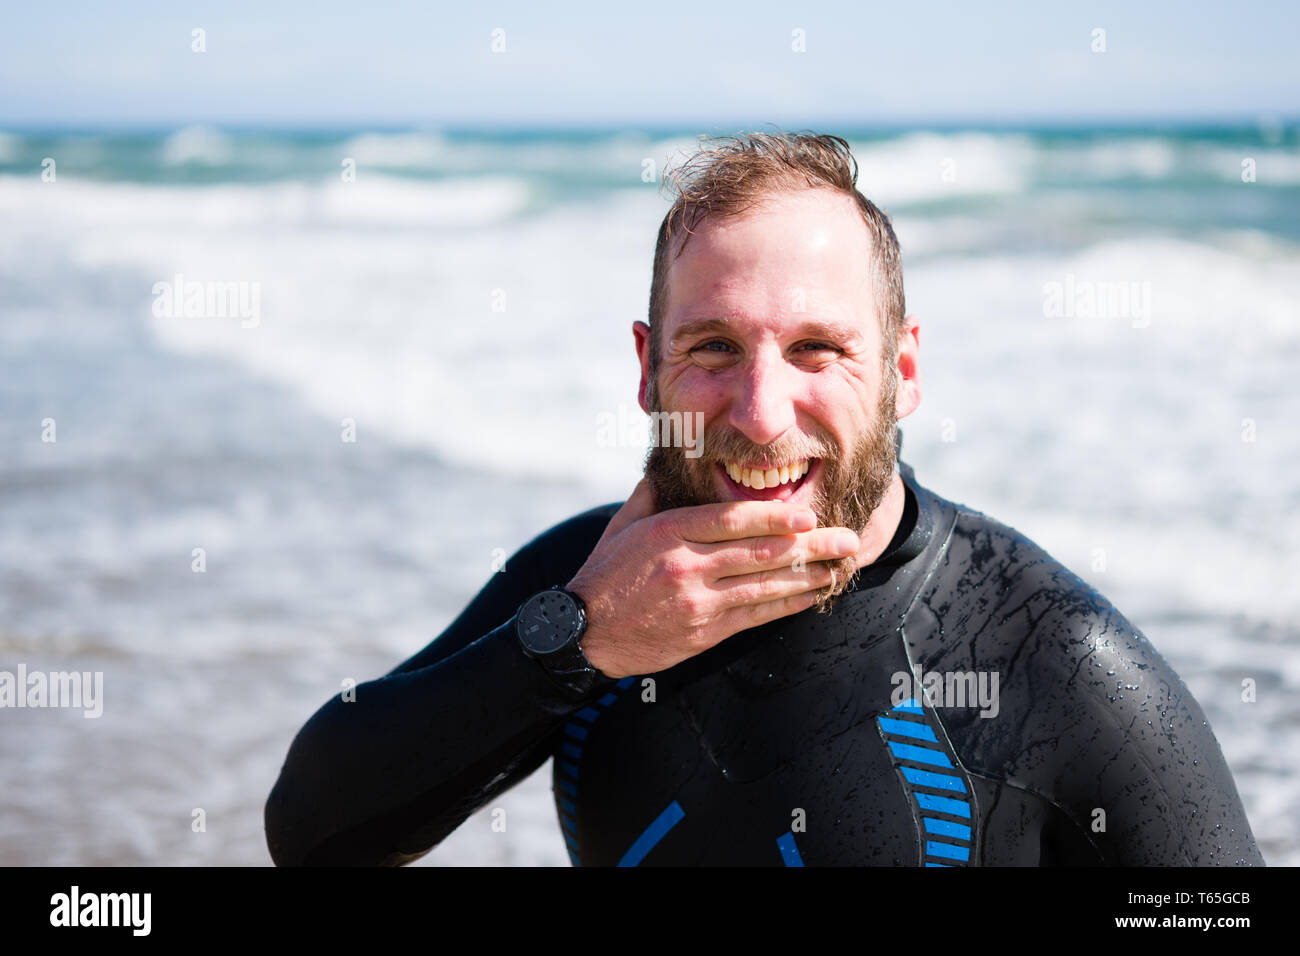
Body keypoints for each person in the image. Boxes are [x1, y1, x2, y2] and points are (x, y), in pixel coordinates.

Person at [264, 132, 1263, 867]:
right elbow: (313, 833)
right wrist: (579, 642)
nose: (758, 409)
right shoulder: (584, 585)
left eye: (816, 348)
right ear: (648, 368)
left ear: (902, 369)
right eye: (712, 349)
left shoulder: (1052, 657)